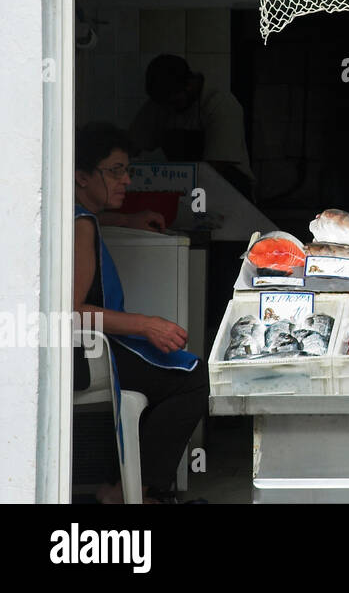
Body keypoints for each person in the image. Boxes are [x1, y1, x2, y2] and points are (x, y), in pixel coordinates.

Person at [74, 122, 208, 503]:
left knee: (170, 374)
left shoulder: (76, 214)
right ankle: (130, 493)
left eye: (126, 170)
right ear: (83, 176)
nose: (127, 180)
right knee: (191, 376)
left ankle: (119, 486)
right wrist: (146, 325)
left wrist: (126, 220)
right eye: (115, 171)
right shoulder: (80, 226)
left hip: (91, 349)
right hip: (91, 352)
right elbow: (71, 312)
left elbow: (94, 217)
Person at [129, 54, 255, 199]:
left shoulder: (220, 104)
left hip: (230, 191)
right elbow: (132, 144)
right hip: (189, 191)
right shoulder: (161, 106)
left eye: (173, 102)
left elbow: (216, 168)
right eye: (164, 104)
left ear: (189, 85)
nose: (169, 109)